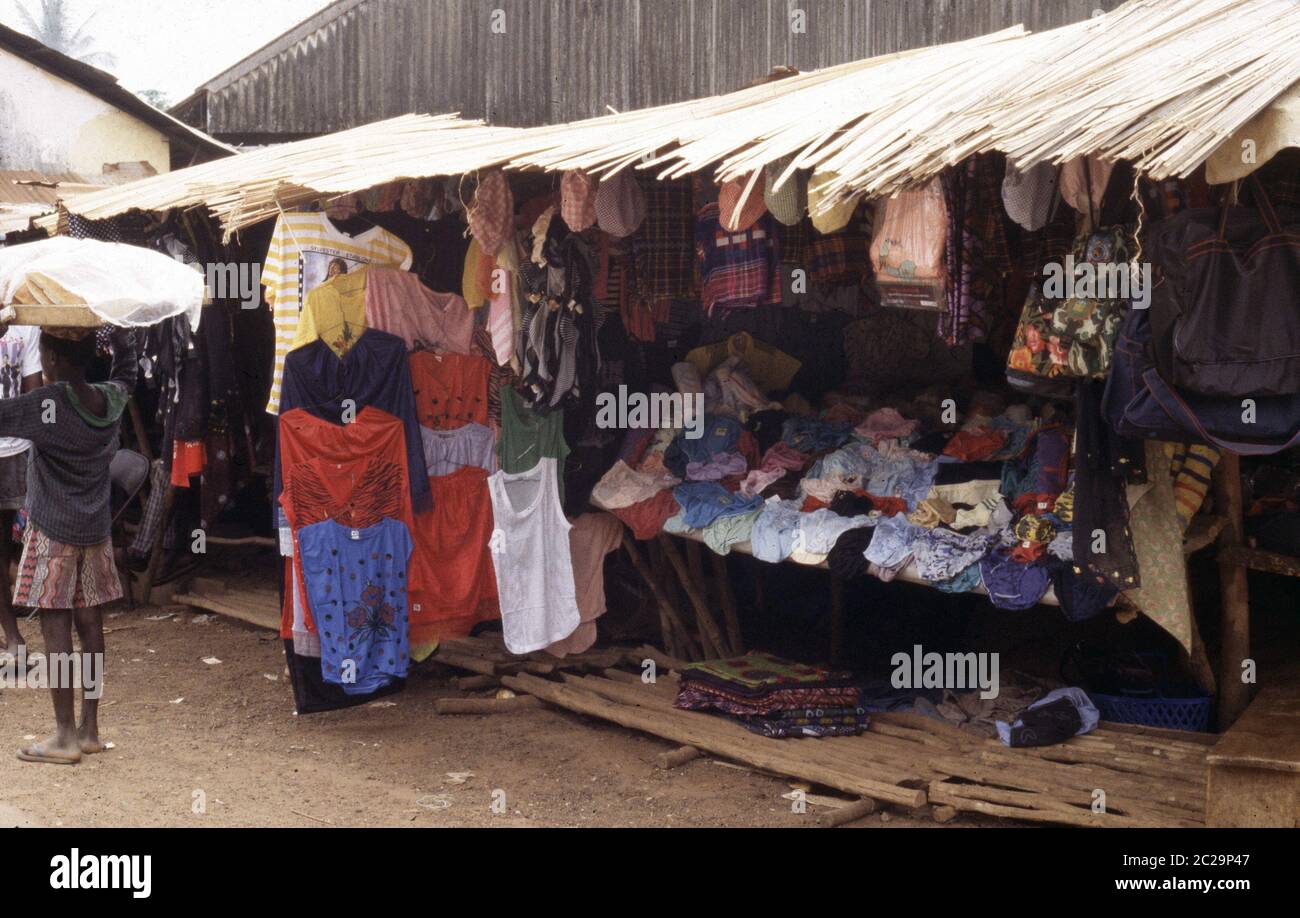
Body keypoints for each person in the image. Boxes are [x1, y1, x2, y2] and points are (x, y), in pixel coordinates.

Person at [0, 325, 136, 765]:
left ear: (53, 359)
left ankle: (63, 736)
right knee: (90, 626)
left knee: (56, 627)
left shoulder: (48, 405)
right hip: (95, 533)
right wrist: (120, 335)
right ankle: (89, 728)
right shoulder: (108, 399)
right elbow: (128, 374)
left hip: (53, 531)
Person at [0, 325, 43, 661]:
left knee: (19, 540)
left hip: (18, 449)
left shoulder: (25, 323)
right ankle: (12, 632)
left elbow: (33, 389)